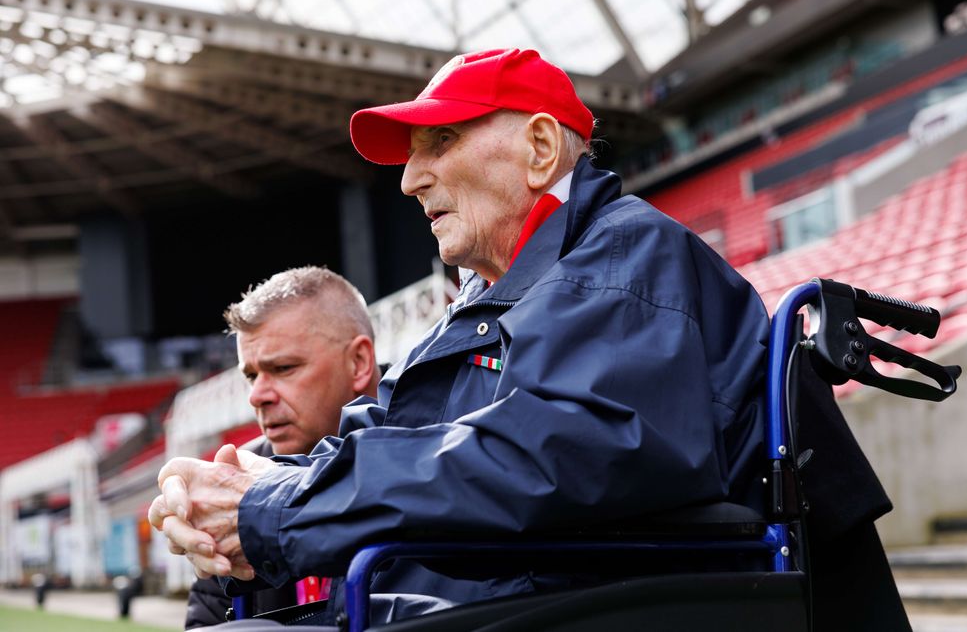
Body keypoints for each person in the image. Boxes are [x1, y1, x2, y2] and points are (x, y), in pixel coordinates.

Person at [149, 48, 770, 627]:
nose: (409, 179)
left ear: (540, 147)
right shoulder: (484, 299)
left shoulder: (627, 254)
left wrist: (275, 510)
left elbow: (558, 452)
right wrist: (238, 488)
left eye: (440, 141)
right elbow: (381, 435)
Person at [185, 266, 381, 627]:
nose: (257, 396)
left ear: (358, 363)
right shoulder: (235, 480)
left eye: (284, 368)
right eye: (251, 375)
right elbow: (207, 620)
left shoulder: (424, 454)